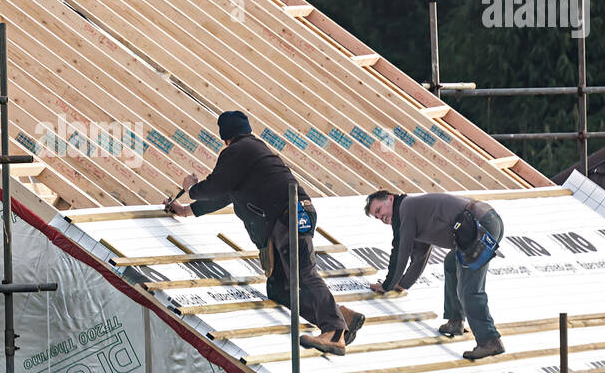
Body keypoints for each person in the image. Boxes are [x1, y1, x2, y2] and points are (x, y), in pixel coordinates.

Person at [168, 110, 364, 355]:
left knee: (303, 272)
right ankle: (339, 317)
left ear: (225, 138)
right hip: (292, 214)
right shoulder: (253, 153)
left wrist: (192, 188)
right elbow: (225, 195)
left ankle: (335, 332)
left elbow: (216, 186)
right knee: (280, 290)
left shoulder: (237, 151)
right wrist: (187, 211)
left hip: (289, 215)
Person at [363, 189, 505, 360]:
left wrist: (387, 285)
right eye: (377, 217)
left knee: (469, 289)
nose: (382, 218)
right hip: (477, 224)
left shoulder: (406, 209)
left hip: (481, 224)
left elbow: (401, 250)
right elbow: (419, 256)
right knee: (451, 264)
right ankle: (455, 321)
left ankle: (490, 340)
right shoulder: (413, 211)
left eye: (379, 210)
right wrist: (402, 284)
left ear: (390, 199)